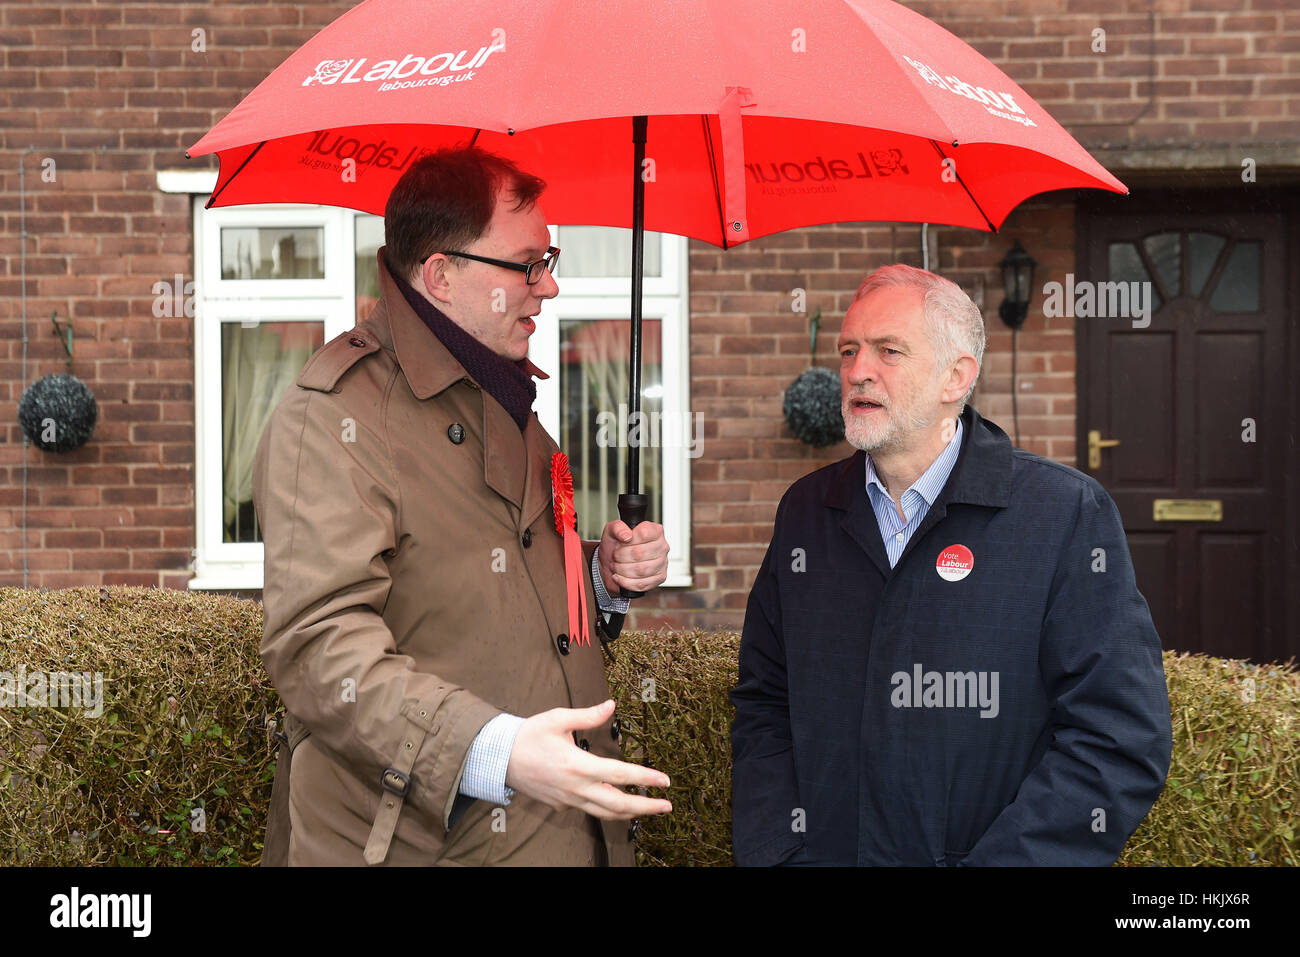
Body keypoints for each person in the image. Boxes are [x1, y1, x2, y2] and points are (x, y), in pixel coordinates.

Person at [252, 146, 672, 866]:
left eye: (551, 260)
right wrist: (493, 749)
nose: (549, 288)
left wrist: (601, 578)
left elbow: (509, 600)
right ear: (442, 275)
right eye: (527, 264)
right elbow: (318, 647)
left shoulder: (507, 400)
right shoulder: (331, 416)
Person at [730, 264, 1171, 866]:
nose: (858, 370)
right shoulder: (806, 513)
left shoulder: (1062, 514)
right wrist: (779, 853)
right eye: (849, 350)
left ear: (956, 377)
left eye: (889, 350)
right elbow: (765, 703)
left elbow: (1117, 737)